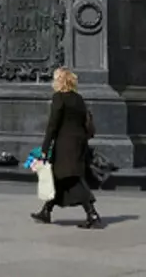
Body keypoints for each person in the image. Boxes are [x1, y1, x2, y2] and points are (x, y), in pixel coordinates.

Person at [31, 67, 103, 228]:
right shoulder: (79, 99)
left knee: (71, 177)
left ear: (60, 81)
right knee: (60, 177)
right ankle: (46, 211)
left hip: (65, 143)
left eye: (55, 78)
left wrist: (45, 147)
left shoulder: (59, 98)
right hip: (78, 142)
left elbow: (53, 125)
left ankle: (91, 212)